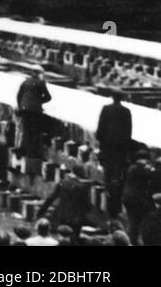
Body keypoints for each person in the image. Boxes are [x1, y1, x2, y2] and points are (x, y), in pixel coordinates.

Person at [95, 89, 133, 217]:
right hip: (120, 152)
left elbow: (100, 130)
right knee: (118, 181)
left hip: (107, 151)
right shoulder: (126, 111)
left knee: (108, 179)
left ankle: (109, 209)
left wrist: (103, 143)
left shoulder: (106, 109)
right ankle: (116, 209)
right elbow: (128, 132)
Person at [41, 163, 92, 233]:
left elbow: (51, 198)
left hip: (62, 215)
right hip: (76, 218)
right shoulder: (82, 186)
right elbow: (87, 205)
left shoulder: (62, 182)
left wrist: (41, 211)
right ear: (81, 173)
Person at [16, 66, 52, 158]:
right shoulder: (41, 83)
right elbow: (48, 97)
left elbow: (19, 96)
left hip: (24, 110)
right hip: (35, 111)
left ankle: (25, 152)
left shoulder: (24, 82)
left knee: (26, 131)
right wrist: (39, 101)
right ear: (39, 74)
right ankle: (33, 153)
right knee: (35, 132)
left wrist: (21, 106)